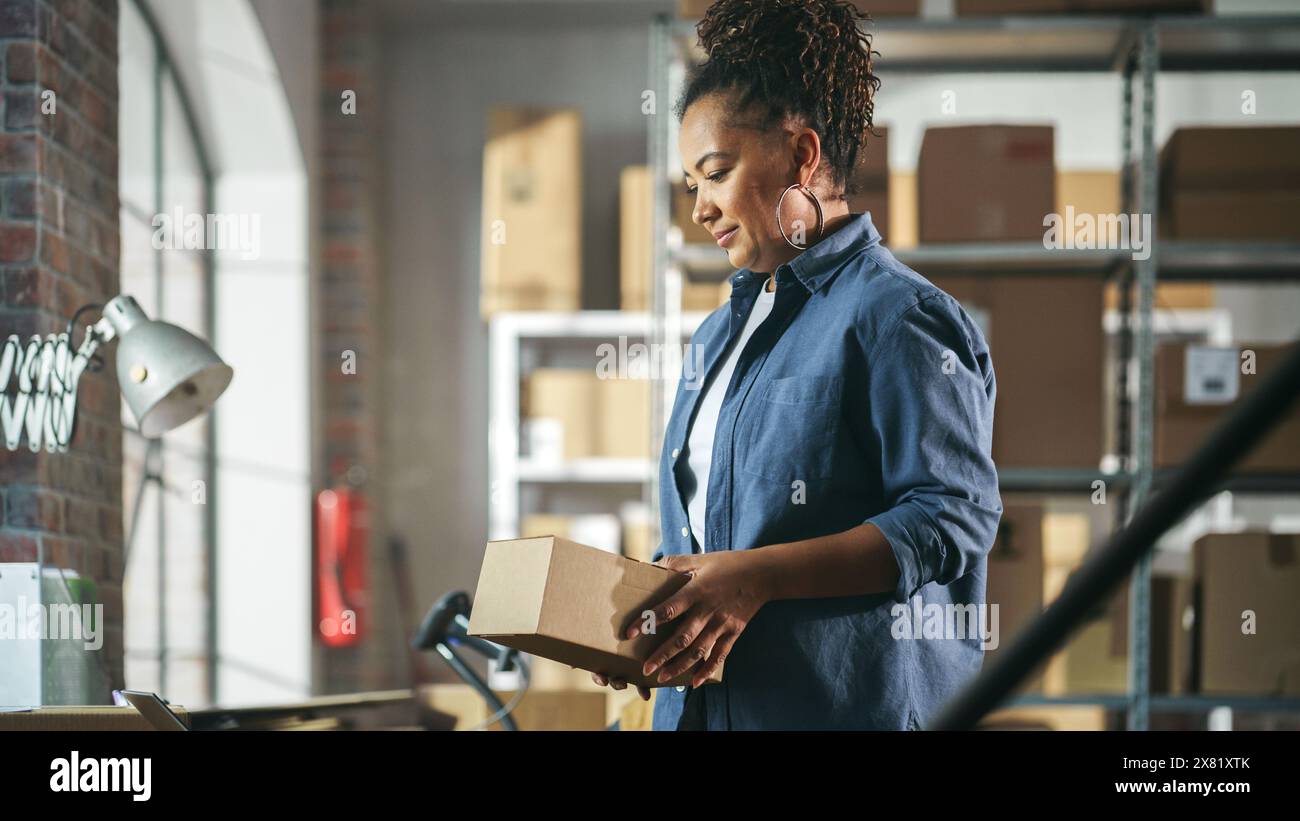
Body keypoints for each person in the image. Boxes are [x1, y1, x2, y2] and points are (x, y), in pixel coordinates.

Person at [592, 0, 1002, 730]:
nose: (701, 210)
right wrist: (646, 617)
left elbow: (953, 516)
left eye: (715, 174)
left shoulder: (898, 316)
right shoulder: (718, 337)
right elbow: (715, 538)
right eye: (692, 186)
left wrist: (757, 580)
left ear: (802, 155)